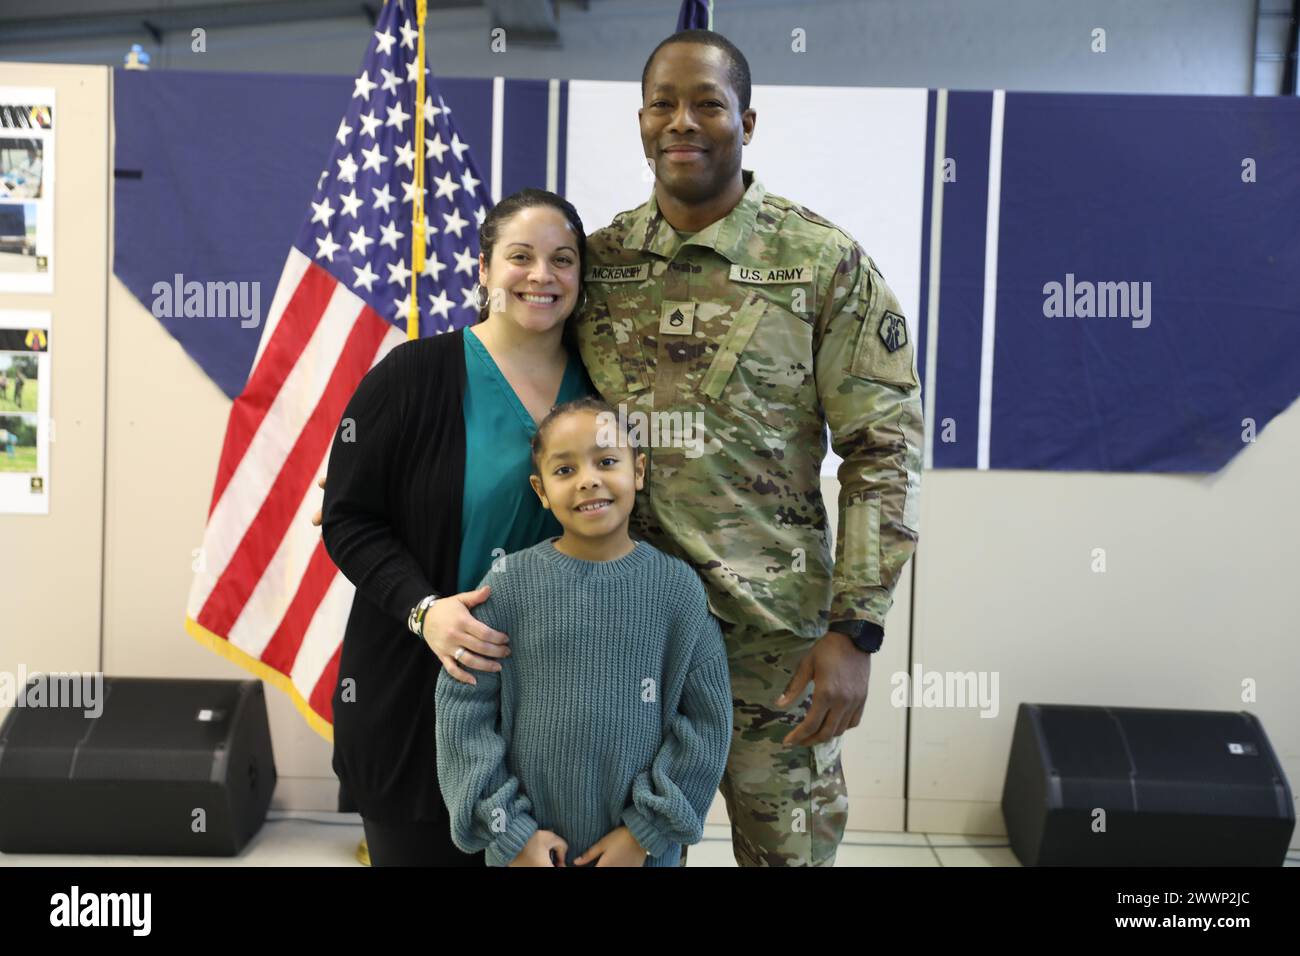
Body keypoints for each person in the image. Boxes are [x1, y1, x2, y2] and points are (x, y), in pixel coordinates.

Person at [575, 30, 924, 866]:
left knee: (787, 856)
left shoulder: (822, 264)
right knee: (623, 854)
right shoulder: (599, 262)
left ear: (748, 121)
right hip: (625, 633)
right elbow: (530, 405)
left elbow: (883, 452)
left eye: (707, 104)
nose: (681, 123)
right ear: (641, 118)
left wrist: (857, 630)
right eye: (663, 103)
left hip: (777, 647)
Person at [319, 188, 595, 866]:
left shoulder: (603, 389)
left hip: (555, 710)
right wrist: (424, 612)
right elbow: (349, 518)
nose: (541, 276)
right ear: (483, 268)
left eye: (563, 260)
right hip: (415, 702)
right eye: (520, 257)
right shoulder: (412, 377)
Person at [435, 398, 732, 867]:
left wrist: (646, 832)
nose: (588, 479)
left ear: (638, 470)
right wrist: (509, 832)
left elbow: (705, 723)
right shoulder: (508, 585)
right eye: (565, 469)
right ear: (541, 490)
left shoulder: (677, 591)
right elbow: (463, 716)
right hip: (528, 853)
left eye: (607, 461)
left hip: (640, 855)